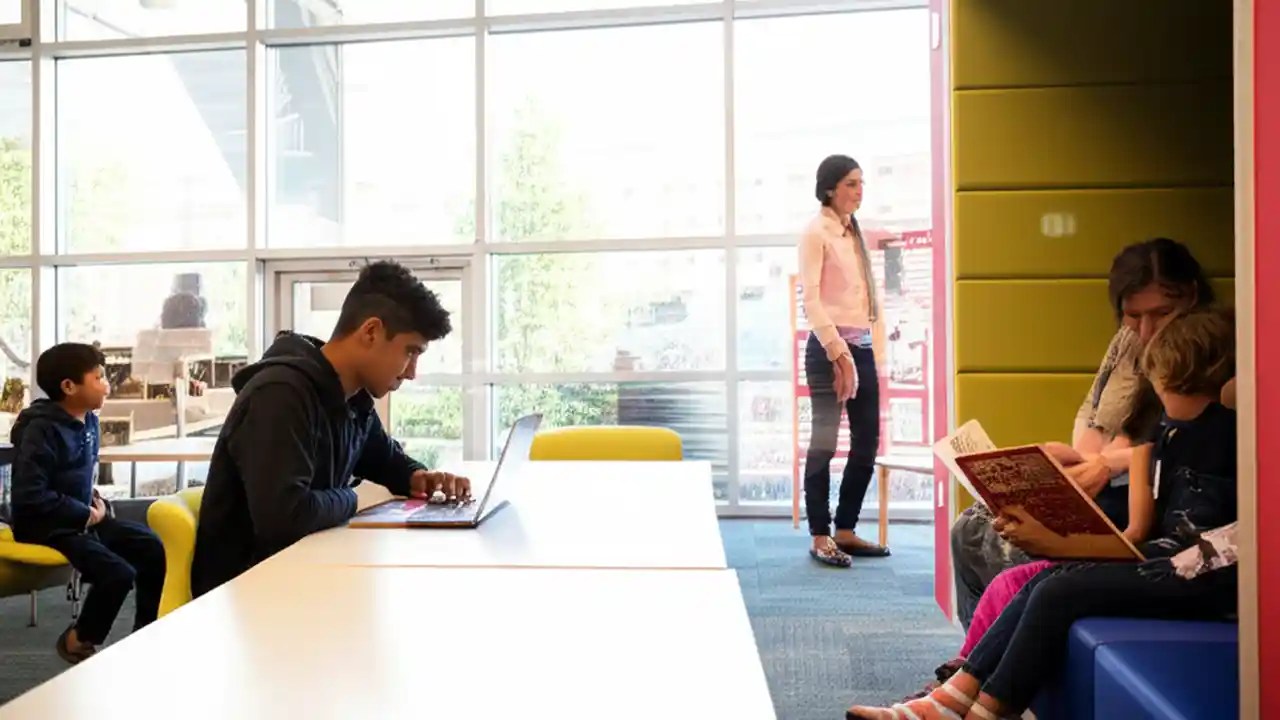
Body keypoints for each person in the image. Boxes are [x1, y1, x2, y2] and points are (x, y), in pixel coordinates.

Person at [847, 307, 1238, 719]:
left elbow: (1181, 549)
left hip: (1203, 575)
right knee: (1047, 579)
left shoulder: (1231, 433)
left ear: (1182, 377)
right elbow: (1137, 534)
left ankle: (989, 710)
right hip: (1168, 563)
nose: (1157, 395)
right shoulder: (1163, 435)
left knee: (1056, 589)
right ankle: (952, 699)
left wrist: (1056, 542)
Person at [949, 237, 1217, 626]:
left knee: (1005, 541)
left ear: (1191, 296)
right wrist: (1074, 460)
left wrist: (1105, 465)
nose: (1146, 330)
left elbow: (1169, 447)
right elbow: (1093, 418)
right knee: (971, 526)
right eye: (1132, 316)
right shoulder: (1128, 343)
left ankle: (995, 664)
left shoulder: (1200, 351)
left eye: (1160, 313)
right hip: (1104, 479)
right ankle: (977, 656)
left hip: (1140, 496)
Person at [191, 261, 470, 597]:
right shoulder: (280, 395)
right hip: (248, 597)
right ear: (370, 332)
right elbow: (286, 519)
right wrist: (357, 498)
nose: (412, 372)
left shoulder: (351, 400)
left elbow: (387, 460)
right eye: (410, 352)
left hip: (304, 575)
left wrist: (420, 478)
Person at [9, 343, 166, 664]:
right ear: (69, 387)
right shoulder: (41, 430)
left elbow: (77, 477)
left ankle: (147, 633)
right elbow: (30, 497)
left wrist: (96, 505)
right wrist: (85, 514)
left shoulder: (90, 422)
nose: (108, 384)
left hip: (83, 518)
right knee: (118, 573)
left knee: (150, 547)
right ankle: (77, 640)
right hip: (46, 525)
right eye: (99, 377)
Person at [799, 154, 890, 567]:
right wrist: (839, 355)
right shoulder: (816, 232)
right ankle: (820, 535)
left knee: (867, 441)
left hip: (863, 347)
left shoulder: (855, 233)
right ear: (831, 188)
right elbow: (812, 302)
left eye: (862, 183)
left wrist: (870, 354)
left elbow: (866, 302)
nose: (859, 191)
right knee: (824, 443)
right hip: (829, 349)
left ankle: (846, 529)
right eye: (852, 184)